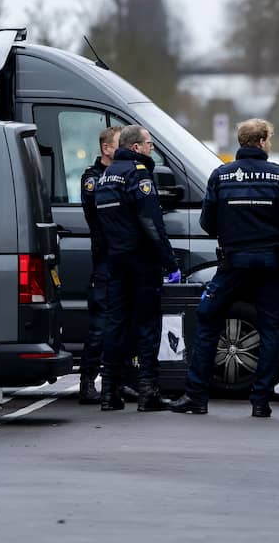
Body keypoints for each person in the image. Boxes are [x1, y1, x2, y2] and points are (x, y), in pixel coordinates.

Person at [169, 119, 279, 417]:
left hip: (231, 264)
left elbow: (207, 223)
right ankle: (260, 401)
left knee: (207, 321)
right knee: (270, 329)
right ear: (261, 141)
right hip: (269, 264)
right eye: (269, 138)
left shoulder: (221, 175)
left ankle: (195, 397)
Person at [94, 125, 181, 412]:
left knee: (115, 324)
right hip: (141, 261)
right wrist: (169, 261)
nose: (151, 147)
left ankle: (109, 392)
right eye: (148, 143)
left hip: (115, 260)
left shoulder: (106, 176)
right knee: (147, 326)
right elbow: (151, 222)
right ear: (135, 148)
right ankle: (148, 392)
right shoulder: (138, 173)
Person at [78, 125, 122, 404]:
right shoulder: (92, 179)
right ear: (106, 149)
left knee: (122, 323)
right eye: (120, 144)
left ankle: (119, 382)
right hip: (105, 259)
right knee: (100, 326)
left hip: (121, 260)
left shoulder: (120, 175)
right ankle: (87, 382)